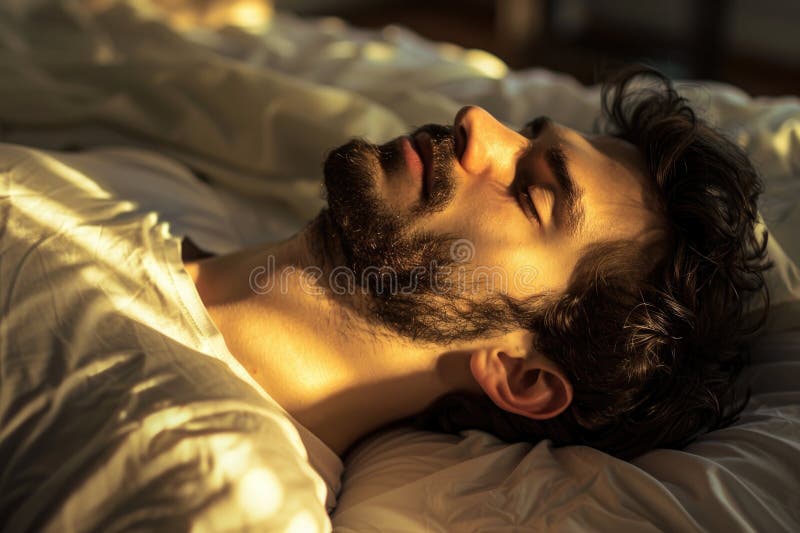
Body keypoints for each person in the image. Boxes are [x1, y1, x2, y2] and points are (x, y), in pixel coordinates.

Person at [184, 65, 771, 463]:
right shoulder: (156, 188)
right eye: (524, 136)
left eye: (532, 197)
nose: (476, 122)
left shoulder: (202, 470)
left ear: (522, 376)